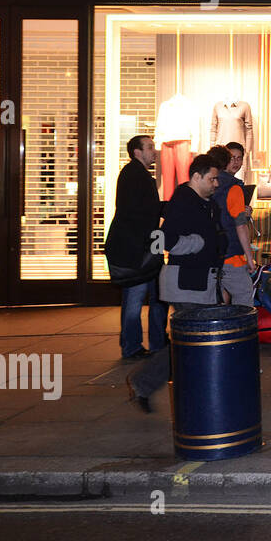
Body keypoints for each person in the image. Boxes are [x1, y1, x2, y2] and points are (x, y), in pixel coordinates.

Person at [126, 153, 224, 412]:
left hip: (200, 282)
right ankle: (152, 384)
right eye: (212, 179)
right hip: (187, 284)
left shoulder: (203, 202)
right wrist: (198, 244)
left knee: (188, 342)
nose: (216, 184)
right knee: (189, 342)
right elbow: (162, 239)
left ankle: (153, 385)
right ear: (196, 177)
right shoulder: (183, 202)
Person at [106, 134, 169, 359]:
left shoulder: (137, 173)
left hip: (142, 247)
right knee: (137, 296)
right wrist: (166, 209)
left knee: (157, 294)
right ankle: (133, 346)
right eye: (150, 147)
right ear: (137, 152)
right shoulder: (134, 174)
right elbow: (141, 211)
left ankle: (155, 342)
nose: (154, 151)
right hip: (135, 250)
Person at [211, 141, 256, 305]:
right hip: (230, 254)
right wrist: (250, 258)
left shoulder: (207, 183)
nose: (236, 162)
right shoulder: (233, 187)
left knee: (219, 298)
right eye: (232, 158)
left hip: (210, 253)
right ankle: (240, 330)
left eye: (239, 158)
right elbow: (240, 226)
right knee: (244, 296)